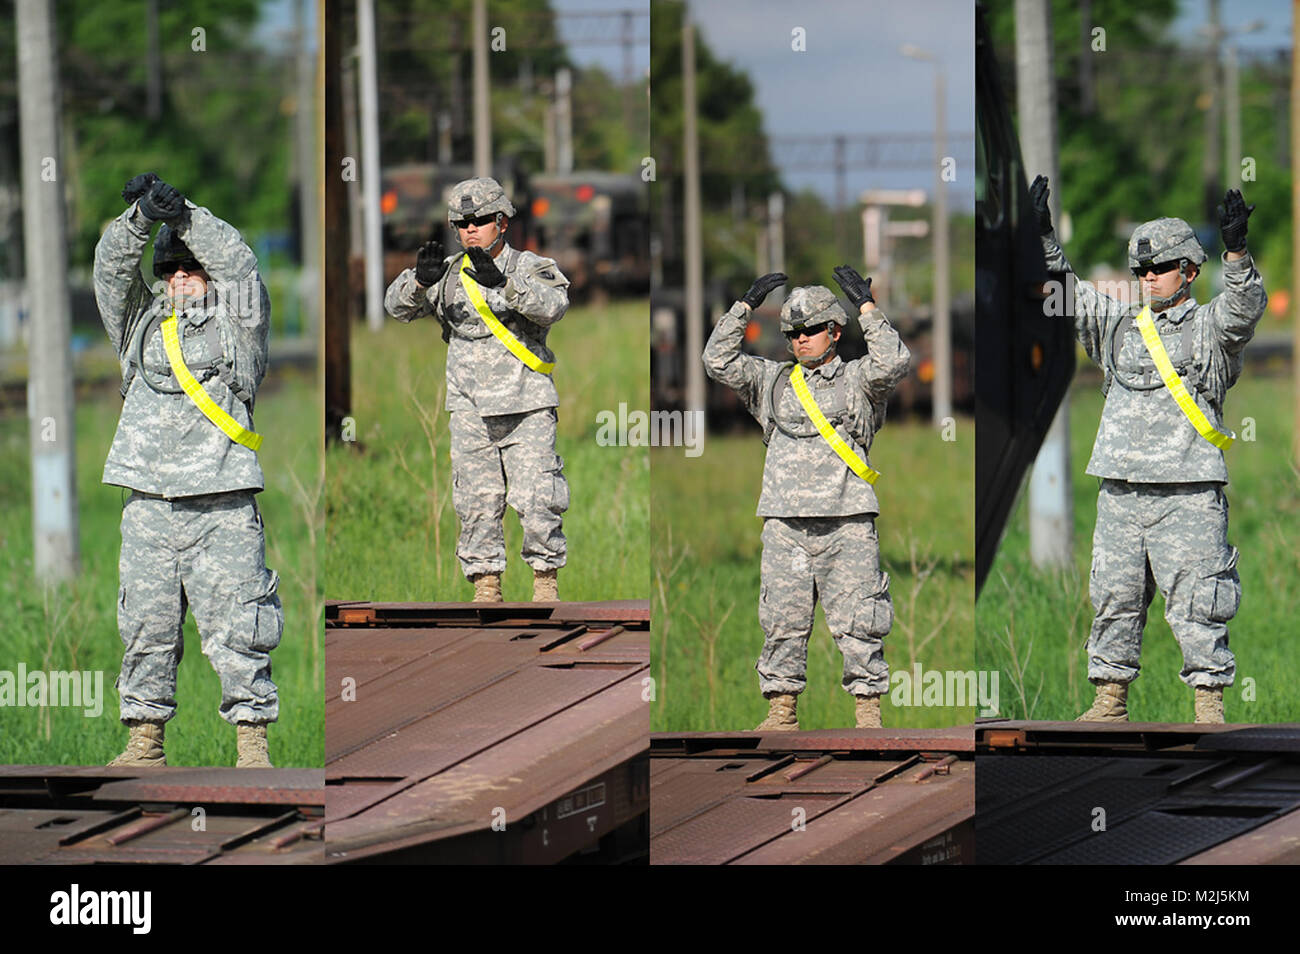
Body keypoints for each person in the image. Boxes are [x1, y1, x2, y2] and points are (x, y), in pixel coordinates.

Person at [1030, 177, 1266, 724]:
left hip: (1187, 492)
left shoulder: (1210, 327)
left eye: (1158, 268)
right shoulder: (1117, 327)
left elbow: (1244, 309)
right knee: (1114, 599)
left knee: (1199, 604)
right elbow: (1069, 294)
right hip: (1120, 491)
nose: (1147, 278)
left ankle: (1208, 708)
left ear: (1188, 270)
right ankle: (1109, 701)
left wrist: (1236, 252)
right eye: (1139, 271)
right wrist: (1043, 237)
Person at [94, 173, 281, 767]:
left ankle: (252, 749)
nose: (179, 278)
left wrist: (189, 218)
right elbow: (109, 271)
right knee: (145, 629)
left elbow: (243, 268)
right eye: (170, 269)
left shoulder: (238, 323)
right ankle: (144, 744)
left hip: (221, 503)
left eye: (190, 269)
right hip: (147, 504)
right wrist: (142, 219)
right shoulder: (139, 326)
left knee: (241, 628)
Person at [702, 266, 910, 729]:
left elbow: (895, 362)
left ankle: (868, 716)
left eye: (812, 329)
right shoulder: (771, 381)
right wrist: (743, 308)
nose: (802, 338)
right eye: (793, 332)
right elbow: (716, 361)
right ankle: (781, 713)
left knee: (861, 620)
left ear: (835, 331)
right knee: (781, 620)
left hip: (847, 521)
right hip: (785, 526)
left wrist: (868, 309)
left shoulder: (859, 380)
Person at [385, 177, 571, 602]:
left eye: (481, 220)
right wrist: (418, 281)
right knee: (476, 499)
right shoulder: (447, 275)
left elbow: (554, 307)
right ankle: (486, 585)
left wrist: (504, 285)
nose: (471, 229)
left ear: (502, 222)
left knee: (539, 496)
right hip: (469, 408)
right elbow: (394, 309)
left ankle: (545, 583)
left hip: (527, 405)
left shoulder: (529, 267)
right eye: (461, 223)